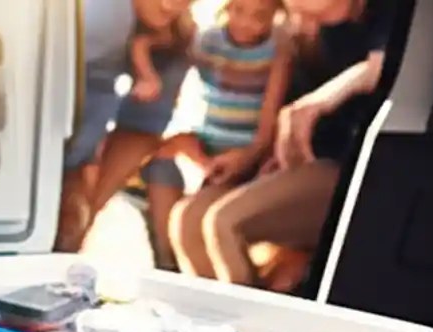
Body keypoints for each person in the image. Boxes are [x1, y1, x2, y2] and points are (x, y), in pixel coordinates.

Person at [168, 0, 393, 291]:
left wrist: (317, 103)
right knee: (188, 218)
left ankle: (247, 316)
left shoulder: (383, 15)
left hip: (344, 164)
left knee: (224, 223)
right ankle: (215, 314)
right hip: (288, 163)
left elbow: (384, 65)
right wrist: (254, 155)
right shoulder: (288, 34)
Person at [142, 0, 294, 262]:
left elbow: (268, 120)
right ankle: (165, 255)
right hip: (207, 140)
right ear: (227, 7)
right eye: (238, 11)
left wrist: (249, 154)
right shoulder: (208, 41)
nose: (245, 23)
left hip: (245, 149)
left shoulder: (277, 50)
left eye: (259, 17)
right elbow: (176, 77)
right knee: (158, 159)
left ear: (275, 15)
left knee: (202, 209)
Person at [55, 0, 195, 271]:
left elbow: (141, 129)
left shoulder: (176, 41)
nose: (173, 4)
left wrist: (86, 213)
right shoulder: (105, 14)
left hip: (69, 166)